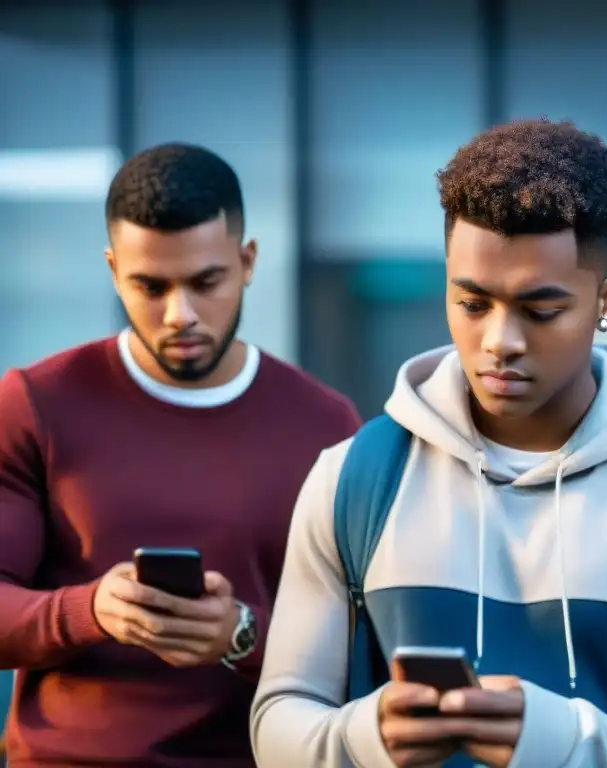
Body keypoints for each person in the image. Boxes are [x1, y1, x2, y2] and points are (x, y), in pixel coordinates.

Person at [250, 118, 607, 767]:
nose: (501, 340)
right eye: (473, 304)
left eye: (540, 310)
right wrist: (366, 737)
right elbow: (277, 721)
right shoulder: (352, 478)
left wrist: (565, 740)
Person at [0, 143, 361, 766]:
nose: (180, 314)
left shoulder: (326, 425)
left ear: (246, 262)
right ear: (113, 271)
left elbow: (358, 649)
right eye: (150, 286)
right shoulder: (34, 402)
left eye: (205, 282)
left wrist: (239, 635)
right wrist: (88, 610)